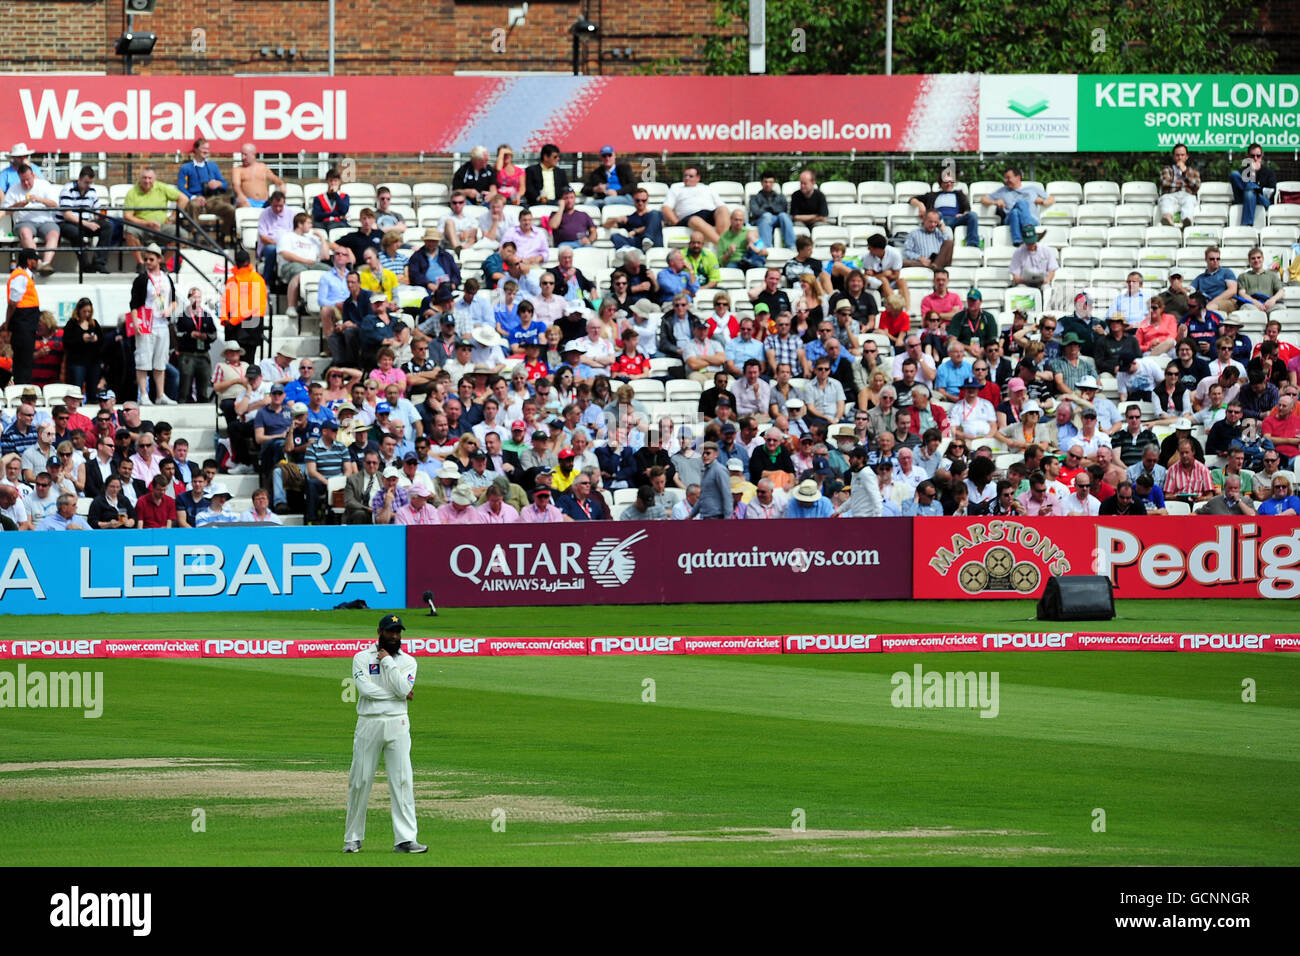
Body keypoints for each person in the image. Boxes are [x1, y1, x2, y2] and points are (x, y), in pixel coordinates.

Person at [343, 614, 425, 855]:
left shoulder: (408, 661)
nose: (395, 636)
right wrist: (399, 693)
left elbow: (403, 688)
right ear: (380, 632)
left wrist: (388, 662)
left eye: (398, 632)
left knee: (402, 781)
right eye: (390, 632)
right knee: (360, 780)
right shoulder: (361, 657)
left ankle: (406, 840)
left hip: (397, 723)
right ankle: (352, 838)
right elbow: (364, 689)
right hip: (369, 722)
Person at [130, 244, 179, 406]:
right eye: (146, 259)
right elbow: (134, 303)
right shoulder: (142, 279)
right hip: (146, 322)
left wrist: (169, 310)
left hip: (162, 323)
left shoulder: (166, 278)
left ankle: (160, 394)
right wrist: (136, 321)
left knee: (160, 360)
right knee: (143, 358)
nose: (148, 262)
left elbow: (174, 301)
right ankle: (144, 394)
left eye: (151, 259)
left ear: (159, 259)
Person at [58, 164, 118, 274]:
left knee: (108, 226)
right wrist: (87, 224)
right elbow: (67, 215)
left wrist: (101, 216)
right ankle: (85, 266)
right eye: (86, 182)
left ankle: (99, 263)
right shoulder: (68, 189)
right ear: (79, 179)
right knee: (75, 232)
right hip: (67, 223)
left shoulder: (92, 191)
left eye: (90, 183)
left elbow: (97, 210)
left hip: (84, 223)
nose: (88, 185)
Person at [122, 165, 188, 264]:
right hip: (141, 227)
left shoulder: (161, 187)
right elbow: (127, 216)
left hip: (162, 226)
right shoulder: (132, 192)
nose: (147, 181)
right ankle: (141, 264)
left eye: (150, 178)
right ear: (139, 178)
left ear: (155, 179)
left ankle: (162, 263)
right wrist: (147, 224)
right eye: (144, 178)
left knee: (183, 235)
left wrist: (171, 218)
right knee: (129, 231)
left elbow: (184, 199)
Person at [4, 163, 62, 274]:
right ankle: (38, 262)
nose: (26, 183)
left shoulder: (44, 185)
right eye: (22, 181)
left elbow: (55, 204)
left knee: (54, 233)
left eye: (28, 180)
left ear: (33, 175)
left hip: (46, 221)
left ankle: (46, 263)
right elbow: (6, 210)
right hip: (24, 222)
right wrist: (19, 205)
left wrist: (40, 200)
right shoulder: (14, 189)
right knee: (25, 233)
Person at [177, 137, 236, 243]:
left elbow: (225, 185)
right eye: (203, 148)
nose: (206, 151)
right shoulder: (186, 167)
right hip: (195, 200)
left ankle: (223, 236)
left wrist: (218, 184)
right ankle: (196, 237)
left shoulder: (213, 166)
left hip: (213, 200)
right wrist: (194, 197)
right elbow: (181, 187)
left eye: (208, 148)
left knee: (230, 210)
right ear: (196, 149)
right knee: (193, 206)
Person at [981, 166, 1053, 245]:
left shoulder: (1032, 189)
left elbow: (1051, 199)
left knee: (1017, 208)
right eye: (1005, 178)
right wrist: (995, 202)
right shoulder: (1003, 191)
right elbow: (983, 199)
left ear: (1018, 177)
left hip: (1032, 220)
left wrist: (1043, 202)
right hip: (1010, 219)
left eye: (1008, 178)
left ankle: (1017, 242)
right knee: (1017, 209)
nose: (1006, 180)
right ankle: (1029, 232)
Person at [909, 170, 980, 247]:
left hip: (955, 219)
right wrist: (920, 205)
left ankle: (972, 244)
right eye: (946, 182)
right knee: (936, 214)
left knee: (973, 215)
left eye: (951, 181)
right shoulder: (932, 195)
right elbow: (912, 199)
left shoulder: (959, 194)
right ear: (941, 183)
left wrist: (963, 214)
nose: (949, 184)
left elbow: (967, 209)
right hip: (938, 219)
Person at [660, 165, 728, 245]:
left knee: (723, 210)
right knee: (695, 220)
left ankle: (724, 241)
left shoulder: (707, 188)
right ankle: (723, 246)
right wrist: (676, 222)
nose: (687, 178)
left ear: (698, 178)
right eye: (685, 176)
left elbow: (721, 205)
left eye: (691, 176)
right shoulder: (675, 189)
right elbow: (666, 208)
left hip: (709, 214)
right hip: (689, 218)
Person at [1230, 143, 1276, 227]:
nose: (1255, 158)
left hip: (1262, 199)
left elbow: (1271, 191)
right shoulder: (1243, 171)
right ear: (1248, 156)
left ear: (1262, 156)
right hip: (1245, 198)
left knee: (1250, 191)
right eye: (1252, 156)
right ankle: (1248, 224)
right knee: (1234, 175)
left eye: (1258, 156)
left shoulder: (1269, 172)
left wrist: (1257, 190)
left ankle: (1246, 225)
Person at [749, 171, 794, 250]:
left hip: (778, 220)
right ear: (761, 183)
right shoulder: (754, 198)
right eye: (765, 182)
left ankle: (792, 246)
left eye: (770, 182)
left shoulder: (780, 197)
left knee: (783, 216)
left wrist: (765, 208)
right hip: (762, 220)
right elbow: (756, 212)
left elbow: (783, 209)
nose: (768, 184)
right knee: (767, 216)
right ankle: (766, 248)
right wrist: (773, 209)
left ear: (773, 183)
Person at [1158, 143, 1200, 228]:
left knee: (1190, 200)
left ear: (1186, 157)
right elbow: (1165, 183)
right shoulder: (1167, 169)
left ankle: (1186, 222)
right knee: (1166, 199)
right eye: (1177, 155)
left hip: (1186, 195)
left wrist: (1184, 171)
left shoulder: (1193, 171)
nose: (1180, 158)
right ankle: (1168, 220)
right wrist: (1185, 184)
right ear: (1174, 157)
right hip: (1170, 195)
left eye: (1182, 155)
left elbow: (1196, 185)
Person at [231, 143, 286, 208]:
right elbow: (236, 185)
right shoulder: (238, 169)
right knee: (241, 203)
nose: (243, 157)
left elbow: (276, 180)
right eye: (242, 154)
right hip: (247, 201)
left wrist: (282, 187)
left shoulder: (262, 167)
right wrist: (240, 195)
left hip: (265, 202)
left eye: (245, 155)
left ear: (253, 154)